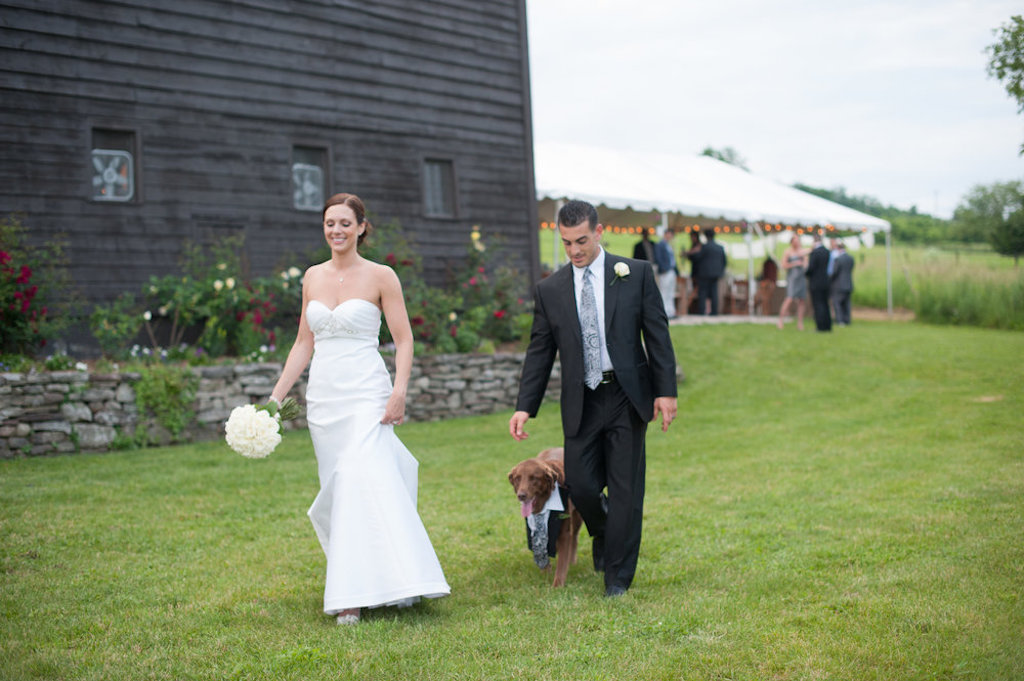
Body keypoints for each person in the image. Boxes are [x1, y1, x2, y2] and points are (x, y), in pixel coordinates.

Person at [269, 192, 450, 625]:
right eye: (330, 223)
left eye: (345, 223)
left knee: (360, 480)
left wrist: (399, 390)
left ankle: (352, 595)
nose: (337, 230)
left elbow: (403, 339)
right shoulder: (311, 277)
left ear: (361, 227)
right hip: (326, 400)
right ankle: (379, 578)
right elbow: (303, 343)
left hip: (368, 392)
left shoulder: (381, 276)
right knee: (338, 486)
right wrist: (275, 398)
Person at [508, 199, 678, 598]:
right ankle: (605, 533)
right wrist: (524, 406)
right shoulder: (550, 289)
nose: (575, 250)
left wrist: (665, 391)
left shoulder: (634, 274)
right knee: (581, 487)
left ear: (599, 232)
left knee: (625, 489)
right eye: (567, 243)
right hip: (581, 400)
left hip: (626, 394)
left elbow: (658, 334)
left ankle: (617, 579)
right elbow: (539, 351)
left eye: (581, 240)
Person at [776, 235, 809, 330]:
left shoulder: (803, 252)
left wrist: (804, 264)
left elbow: (806, 263)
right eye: (795, 241)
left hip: (801, 278)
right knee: (789, 299)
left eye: (798, 241)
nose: (797, 243)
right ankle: (780, 321)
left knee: (801, 301)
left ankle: (800, 323)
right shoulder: (788, 252)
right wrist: (795, 263)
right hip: (792, 279)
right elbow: (783, 265)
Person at [694, 229, 727, 315]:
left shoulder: (704, 247)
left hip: (704, 274)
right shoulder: (720, 247)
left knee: (703, 292)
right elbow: (724, 261)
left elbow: (697, 258)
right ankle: (714, 311)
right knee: (714, 293)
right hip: (716, 274)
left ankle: (702, 311)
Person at [805, 233, 833, 332]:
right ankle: (828, 325)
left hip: (816, 282)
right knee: (825, 304)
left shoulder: (814, 253)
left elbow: (811, 268)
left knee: (818, 304)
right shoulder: (827, 252)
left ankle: (820, 326)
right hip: (825, 281)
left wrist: (806, 273)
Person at [829, 238, 855, 326]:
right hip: (849, 284)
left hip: (839, 285)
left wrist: (830, 280)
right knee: (847, 303)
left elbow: (835, 272)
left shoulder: (838, 259)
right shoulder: (851, 258)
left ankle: (840, 320)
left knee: (837, 303)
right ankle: (847, 320)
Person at [653, 228, 678, 318]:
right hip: (665, 271)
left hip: (671, 271)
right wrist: (664, 268)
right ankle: (664, 312)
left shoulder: (669, 245)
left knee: (670, 292)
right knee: (664, 291)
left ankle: (671, 311)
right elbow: (658, 258)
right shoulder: (660, 245)